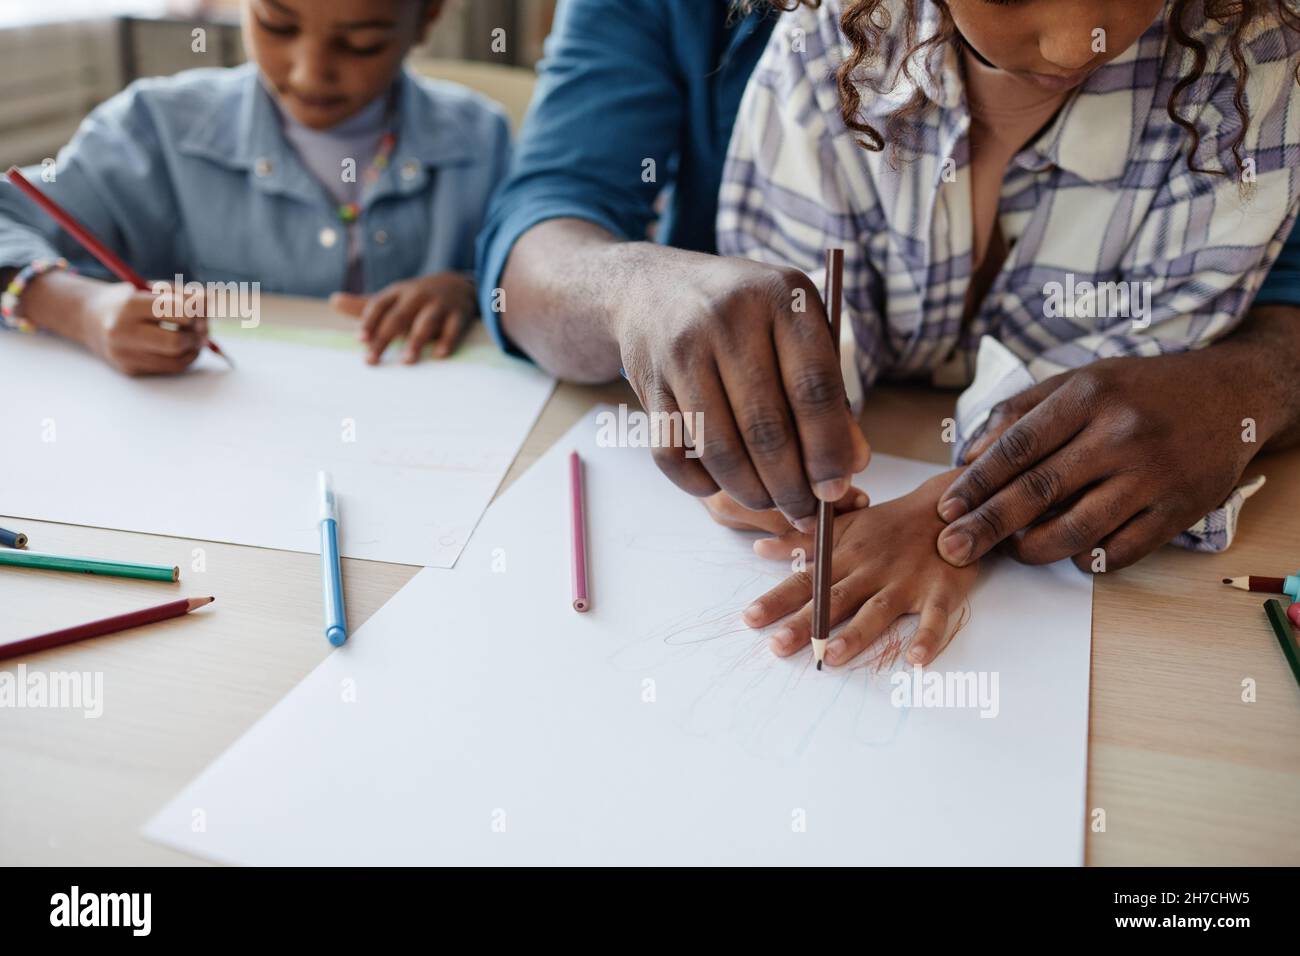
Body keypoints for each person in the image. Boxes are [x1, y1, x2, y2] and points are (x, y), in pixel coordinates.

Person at [477, 0, 1300, 598]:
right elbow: (543, 222)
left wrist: (1253, 386)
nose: (1070, 40)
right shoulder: (820, 48)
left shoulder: (1242, 71)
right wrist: (635, 293)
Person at [718, 0, 1300, 665]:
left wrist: (953, 512)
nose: (1077, 43)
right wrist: (772, 425)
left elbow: (1142, 396)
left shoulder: (1245, 68)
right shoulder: (830, 38)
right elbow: (797, 314)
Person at [0, 0, 509, 373]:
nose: (311, 75)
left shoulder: (483, 140)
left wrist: (466, 289)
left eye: (361, 43)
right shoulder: (154, 128)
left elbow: (537, 261)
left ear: (426, 18)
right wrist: (81, 309)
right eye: (277, 24)